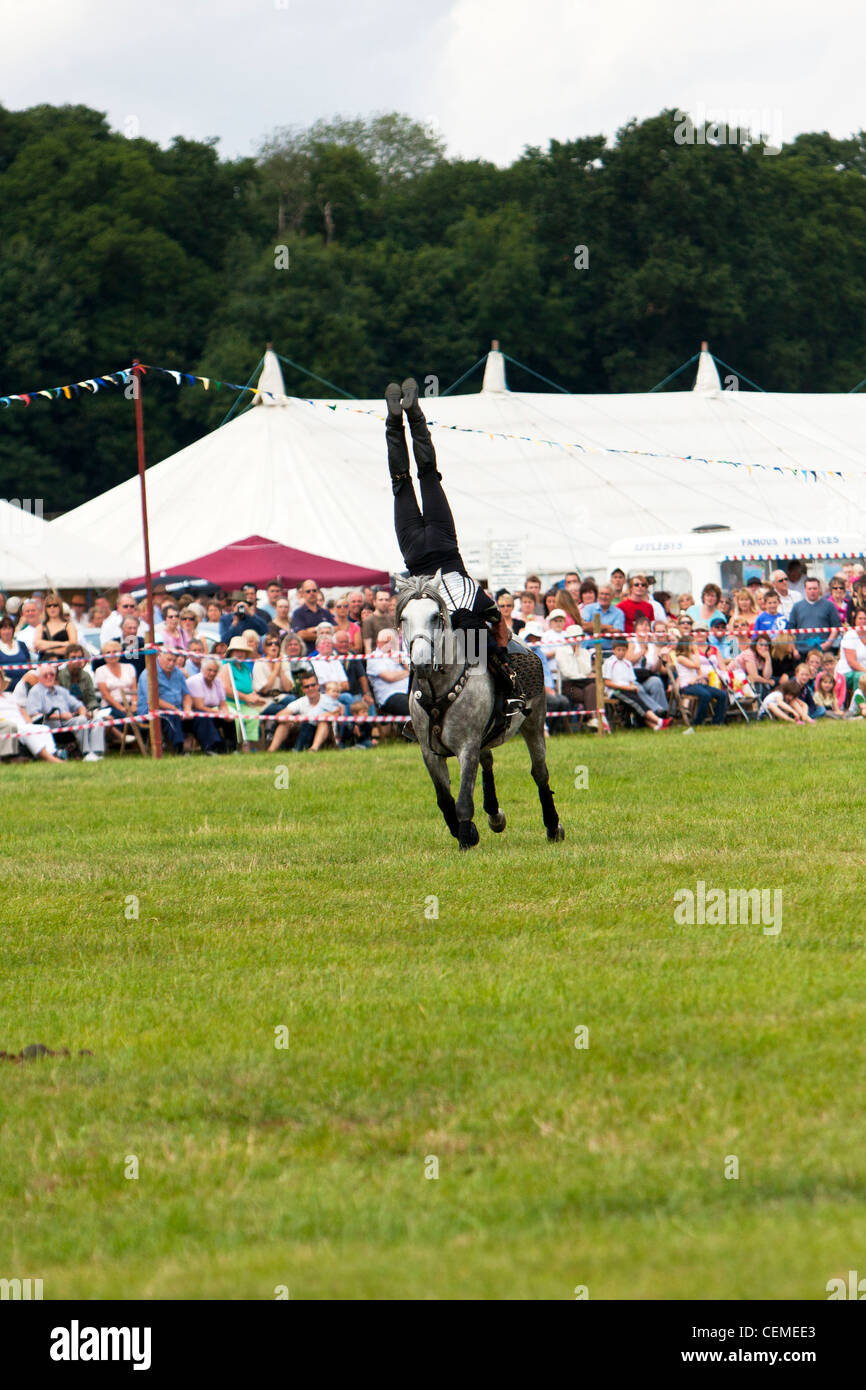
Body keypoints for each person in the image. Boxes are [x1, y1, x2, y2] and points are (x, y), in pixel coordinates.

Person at [385, 377, 523, 715]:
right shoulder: (469, 604)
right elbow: (496, 622)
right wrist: (502, 648)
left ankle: (398, 420)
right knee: (409, 482)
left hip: (426, 562)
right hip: (431, 559)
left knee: (417, 478)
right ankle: (505, 695)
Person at [136, 649, 222, 754]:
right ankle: (179, 749)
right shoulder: (149, 674)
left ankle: (212, 747)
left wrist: (187, 709)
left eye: (174, 660)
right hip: (154, 711)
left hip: (178, 710)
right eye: (169, 660)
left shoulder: (178, 673)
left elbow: (186, 694)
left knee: (201, 715)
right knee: (171, 716)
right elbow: (153, 700)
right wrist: (174, 709)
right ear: (160, 656)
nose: (171, 663)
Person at [27, 661, 106, 760]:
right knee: (81, 721)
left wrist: (82, 713)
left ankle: (97, 753)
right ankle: (86, 753)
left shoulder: (60, 690)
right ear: (39, 678)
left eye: (51, 674)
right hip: (53, 724)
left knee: (98, 720)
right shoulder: (35, 692)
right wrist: (60, 716)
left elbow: (78, 705)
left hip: (70, 720)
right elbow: (34, 714)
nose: (49, 677)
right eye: (45, 675)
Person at [602, 636, 669, 729]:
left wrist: (632, 687)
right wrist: (629, 688)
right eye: (619, 650)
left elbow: (631, 681)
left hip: (628, 690)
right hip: (615, 691)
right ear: (613, 650)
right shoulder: (610, 662)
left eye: (623, 650)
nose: (621, 652)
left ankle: (655, 726)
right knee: (636, 703)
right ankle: (659, 720)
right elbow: (607, 683)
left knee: (638, 701)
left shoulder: (627, 663)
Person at [0, 668, 64, 762]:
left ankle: (53, 753)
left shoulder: (10, 695)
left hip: (22, 723)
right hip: (7, 725)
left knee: (43, 729)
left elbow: (22, 711)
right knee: (27, 730)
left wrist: (29, 723)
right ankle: (49, 758)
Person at [270, 672, 340, 754]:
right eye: (307, 686)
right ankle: (271, 751)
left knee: (323, 721)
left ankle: (313, 749)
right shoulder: (301, 701)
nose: (310, 688)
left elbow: (338, 712)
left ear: (318, 686)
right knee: (284, 724)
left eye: (313, 685)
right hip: (304, 731)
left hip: (326, 737)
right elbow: (279, 716)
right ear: (303, 689)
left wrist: (325, 715)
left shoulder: (328, 700)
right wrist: (293, 719)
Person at [520, 623, 573, 732]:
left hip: (544, 689)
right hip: (530, 692)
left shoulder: (540, 652)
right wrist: (545, 688)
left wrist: (549, 687)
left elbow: (547, 672)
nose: (537, 639)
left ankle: (550, 730)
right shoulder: (522, 652)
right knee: (555, 702)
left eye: (538, 637)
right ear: (529, 637)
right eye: (535, 636)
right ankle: (538, 728)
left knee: (564, 702)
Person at [219, 636, 268, 744]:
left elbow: (250, 689)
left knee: (254, 716)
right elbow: (225, 688)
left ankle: (250, 746)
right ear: (231, 652)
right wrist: (246, 697)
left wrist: (255, 697)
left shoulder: (246, 669)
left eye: (242, 651)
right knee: (235, 718)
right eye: (237, 651)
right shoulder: (226, 666)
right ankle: (235, 745)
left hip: (243, 705)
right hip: (227, 704)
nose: (240, 653)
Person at [674, 637, 728, 725]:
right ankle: (698, 722)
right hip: (687, 686)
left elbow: (699, 673)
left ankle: (717, 722)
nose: (695, 646)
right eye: (693, 644)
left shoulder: (694, 656)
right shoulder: (680, 658)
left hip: (697, 684)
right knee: (705, 695)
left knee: (722, 694)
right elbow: (696, 665)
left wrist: (696, 678)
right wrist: (696, 652)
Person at [187, 657, 235, 750]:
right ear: (203, 669)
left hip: (211, 711)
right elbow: (199, 706)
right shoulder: (195, 681)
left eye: (215, 671)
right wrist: (218, 713)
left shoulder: (218, 682)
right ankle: (214, 747)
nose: (212, 673)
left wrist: (226, 713)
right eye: (209, 670)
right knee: (205, 718)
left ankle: (232, 747)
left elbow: (223, 703)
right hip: (196, 713)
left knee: (229, 719)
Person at [788, 576, 841, 657]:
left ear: (819, 589)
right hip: (802, 651)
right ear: (805, 590)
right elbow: (791, 630)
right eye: (809, 589)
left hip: (823, 651)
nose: (812, 591)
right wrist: (794, 649)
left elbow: (836, 628)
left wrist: (828, 643)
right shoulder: (797, 607)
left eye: (814, 588)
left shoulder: (829, 606)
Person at [366, 628, 411, 716]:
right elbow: (389, 677)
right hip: (390, 696)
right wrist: (407, 672)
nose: (390, 644)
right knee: (413, 709)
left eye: (392, 641)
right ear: (378, 642)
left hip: (410, 692)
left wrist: (403, 662)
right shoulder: (374, 657)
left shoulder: (400, 654)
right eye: (387, 641)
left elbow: (414, 671)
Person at [581, 583, 626, 657]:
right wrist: (608, 627)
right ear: (598, 595)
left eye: (607, 594)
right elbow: (584, 627)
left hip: (609, 652)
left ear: (613, 596)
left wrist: (593, 628)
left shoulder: (619, 613)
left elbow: (617, 633)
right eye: (601, 593)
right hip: (588, 650)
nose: (603, 597)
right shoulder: (588, 608)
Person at [289, 580, 333, 647]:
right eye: (308, 591)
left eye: (314, 590)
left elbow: (336, 628)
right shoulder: (298, 613)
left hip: (327, 653)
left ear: (318, 592)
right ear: (303, 593)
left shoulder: (325, 612)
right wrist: (324, 634)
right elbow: (301, 634)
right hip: (308, 654)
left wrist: (313, 630)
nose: (312, 593)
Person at [33, 593, 78, 659]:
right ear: (45, 608)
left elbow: (72, 646)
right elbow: (37, 644)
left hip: (64, 663)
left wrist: (50, 650)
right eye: (49, 606)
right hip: (45, 664)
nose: (52, 608)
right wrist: (63, 644)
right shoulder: (41, 626)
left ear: (60, 607)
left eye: (55, 605)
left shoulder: (69, 625)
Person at [836, 610, 866, 706]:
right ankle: (856, 707)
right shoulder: (850, 635)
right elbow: (851, 662)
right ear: (855, 620)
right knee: (860, 677)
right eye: (860, 618)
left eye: (865, 618)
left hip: (863, 670)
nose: (863, 621)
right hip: (847, 672)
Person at [361, 587, 394, 653]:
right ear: (374, 602)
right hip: (376, 657)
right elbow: (368, 647)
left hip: (393, 656)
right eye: (381, 600)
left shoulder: (392, 618)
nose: (384, 602)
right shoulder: (368, 621)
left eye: (386, 600)